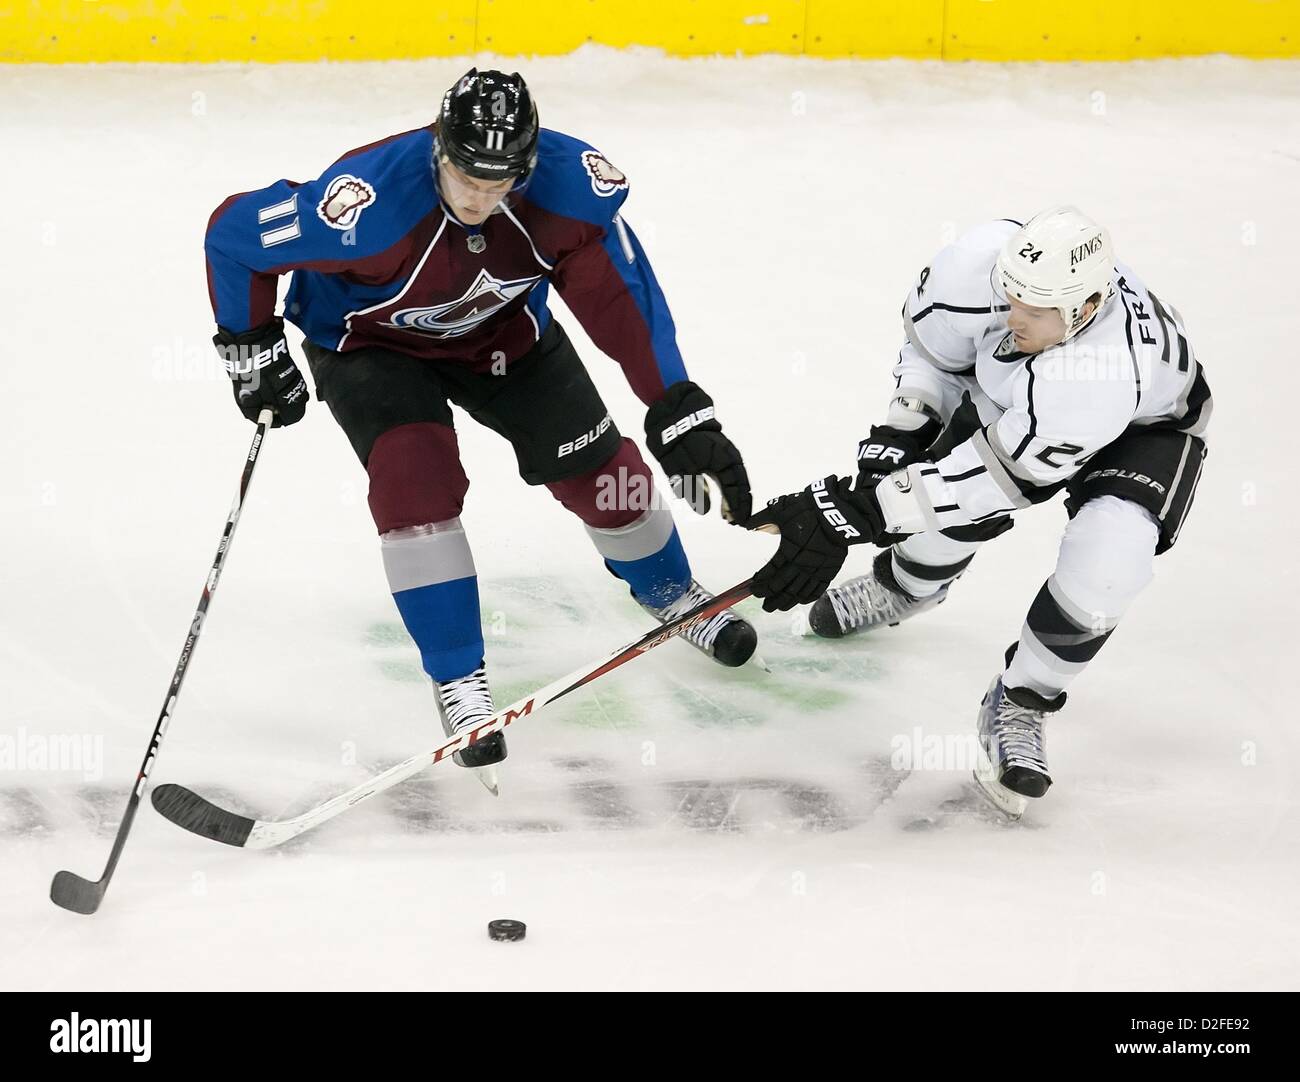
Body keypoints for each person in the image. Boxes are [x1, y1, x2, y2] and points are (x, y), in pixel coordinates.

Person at [205, 68, 756, 789]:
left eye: (498, 181)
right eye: (465, 175)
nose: (478, 197)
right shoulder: (363, 207)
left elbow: (621, 300)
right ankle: (459, 679)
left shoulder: (567, 193)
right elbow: (233, 237)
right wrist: (251, 348)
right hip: (370, 349)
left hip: (505, 338)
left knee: (601, 470)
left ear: (527, 166)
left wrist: (676, 404)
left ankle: (671, 591)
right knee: (416, 484)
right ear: (439, 148)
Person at [747, 207, 1210, 815]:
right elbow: (933, 355)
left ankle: (1022, 698)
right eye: (1012, 297)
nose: (1013, 317)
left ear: (1087, 309)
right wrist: (903, 428)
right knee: (928, 493)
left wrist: (861, 512)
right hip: (1029, 393)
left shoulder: (1095, 377)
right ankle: (907, 587)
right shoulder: (981, 266)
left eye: (1035, 310)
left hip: (1147, 426)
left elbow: (992, 481)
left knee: (1109, 564)